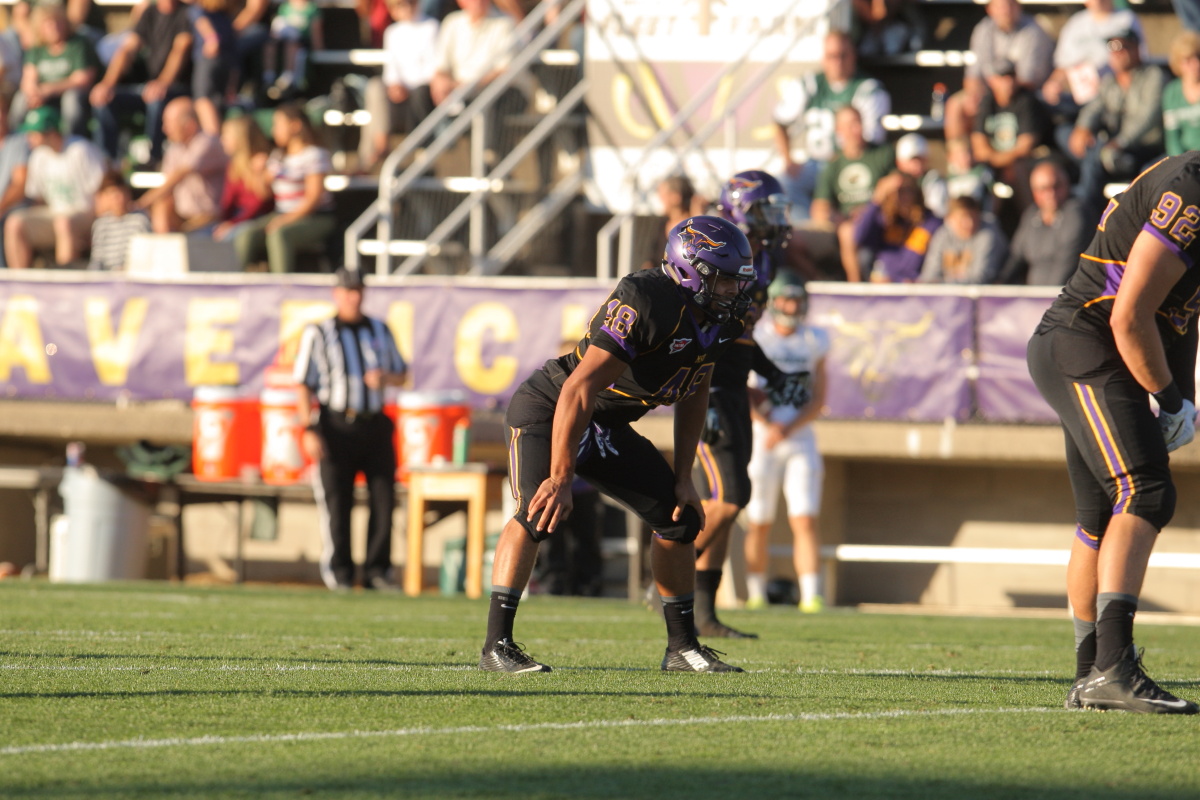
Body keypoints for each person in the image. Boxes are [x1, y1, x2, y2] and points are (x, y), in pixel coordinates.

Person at [480, 216, 801, 673]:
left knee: (679, 518)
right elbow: (578, 389)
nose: (735, 291)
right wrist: (560, 477)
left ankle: (682, 648)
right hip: (553, 408)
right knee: (538, 509)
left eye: (738, 279)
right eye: (725, 279)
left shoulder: (722, 317)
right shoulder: (645, 299)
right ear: (690, 271)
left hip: (607, 423)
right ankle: (497, 646)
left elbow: (696, 390)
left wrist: (684, 477)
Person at [1026, 152, 1200, 715]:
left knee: (1100, 516)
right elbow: (1129, 315)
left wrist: (1183, 396)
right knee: (1145, 491)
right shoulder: (1193, 190)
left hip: (1084, 343)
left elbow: (1183, 312)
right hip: (1089, 341)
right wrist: (1169, 398)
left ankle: (1088, 675)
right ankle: (1114, 669)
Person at [691, 170, 794, 639]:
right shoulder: (717, 251)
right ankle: (668, 572)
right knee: (731, 497)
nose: (777, 217)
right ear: (741, 207)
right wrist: (700, 388)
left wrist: (769, 374)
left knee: (724, 503)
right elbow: (699, 327)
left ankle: (704, 614)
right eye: (767, 208)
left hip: (733, 384)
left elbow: (743, 334)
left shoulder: (763, 257)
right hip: (706, 385)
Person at [293, 267, 408, 591]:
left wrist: (385, 378)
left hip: (374, 423)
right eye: (347, 291)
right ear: (336, 294)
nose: (353, 297)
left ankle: (377, 571)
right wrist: (307, 428)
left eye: (357, 290)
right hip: (335, 424)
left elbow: (402, 374)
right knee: (338, 503)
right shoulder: (320, 332)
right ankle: (340, 573)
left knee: (383, 498)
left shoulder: (379, 329)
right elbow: (303, 384)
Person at [745, 273, 830, 614]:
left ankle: (811, 595)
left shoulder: (815, 339)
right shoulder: (758, 337)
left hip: (799, 435)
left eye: (797, 300)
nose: (792, 307)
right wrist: (767, 423)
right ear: (774, 302)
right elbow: (741, 387)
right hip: (761, 436)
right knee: (758, 520)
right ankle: (755, 594)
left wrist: (787, 427)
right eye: (787, 300)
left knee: (804, 518)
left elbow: (819, 399)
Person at [772, 30, 890, 221]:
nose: (838, 62)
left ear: (854, 56)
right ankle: (808, 230)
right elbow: (780, 121)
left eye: (843, 55)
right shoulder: (810, 84)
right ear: (823, 58)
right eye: (832, 56)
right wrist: (788, 160)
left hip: (851, 161)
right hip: (817, 164)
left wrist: (842, 160)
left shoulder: (869, 89)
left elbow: (870, 140)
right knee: (782, 184)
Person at [1067, 27, 1165, 221]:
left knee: (1095, 157)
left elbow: (1147, 119)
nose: (1117, 52)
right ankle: (1085, 213)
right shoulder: (1110, 81)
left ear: (1137, 49)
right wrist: (1082, 128)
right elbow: (1094, 108)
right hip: (1114, 148)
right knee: (1066, 134)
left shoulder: (1154, 75)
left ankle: (1083, 216)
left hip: (1145, 148)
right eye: (1112, 48)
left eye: (1123, 47)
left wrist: (1120, 142)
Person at [231, 103, 336, 273]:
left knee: (278, 234)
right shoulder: (278, 156)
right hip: (281, 213)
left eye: (278, 125)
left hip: (315, 217)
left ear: (295, 126)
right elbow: (263, 193)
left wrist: (285, 220)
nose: (274, 131)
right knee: (245, 234)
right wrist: (258, 172)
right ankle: (236, 281)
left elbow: (313, 198)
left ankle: (281, 284)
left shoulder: (315, 154)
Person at [89, 0, 193, 167]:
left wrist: (163, 82)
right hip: (150, 87)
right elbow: (127, 49)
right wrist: (107, 84)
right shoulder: (150, 13)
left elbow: (181, 49)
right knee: (105, 99)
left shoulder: (187, 13)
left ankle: (153, 158)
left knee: (156, 99)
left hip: (178, 89)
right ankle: (108, 162)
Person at [5, 105, 106, 269]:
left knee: (63, 223)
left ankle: (62, 278)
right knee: (14, 222)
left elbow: (102, 192)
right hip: (56, 214)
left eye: (34, 133)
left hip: (86, 213)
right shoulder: (38, 156)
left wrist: (99, 227)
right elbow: (38, 199)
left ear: (50, 132)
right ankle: (19, 280)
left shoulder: (80, 150)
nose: (28, 138)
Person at [943, 0, 1054, 146]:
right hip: (990, 91)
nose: (1005, 10)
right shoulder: (983, 29)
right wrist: (975, 94)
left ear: (1018, 6)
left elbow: (1028, 79)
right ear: (989, 9)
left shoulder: (1033, 30)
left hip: (1023, 93)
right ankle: (961, 156)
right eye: (1000, 6)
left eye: (1009, 5)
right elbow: (973, 75)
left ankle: (1011, 154)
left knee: (1015, 105)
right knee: (956, 105)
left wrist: (1001, 90)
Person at [808, 106, 895, 281]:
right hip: (843, 223)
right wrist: (838, 217)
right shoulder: (833, 164)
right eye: (850, 125)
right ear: (838, 130)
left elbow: (895, 183)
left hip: (877, 219)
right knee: (794, 240)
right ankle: (821, 282)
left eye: (858, 122)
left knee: (848, 232)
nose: (857, 129)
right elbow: (819, 208)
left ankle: (854, 286)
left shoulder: (882, 153)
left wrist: (870, 209)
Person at [359, 0, 438, 173]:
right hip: (400, 95)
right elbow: (391, 68)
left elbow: (433, 67)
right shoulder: (392, 32)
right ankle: (379, 145)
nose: (405, 8)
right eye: (399, 5)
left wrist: (406, 87)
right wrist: (395, 85)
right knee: (374, 87)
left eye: (408, 3)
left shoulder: (431, 27)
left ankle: (376, 156)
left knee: (420, 93)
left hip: (421, 93)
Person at [971, 58, 1049, 225]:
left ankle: (1034, 222)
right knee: (977, 173)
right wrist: (999, 161)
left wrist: (1000, 160)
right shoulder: (987, 101)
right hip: (995, 163)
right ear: (991, 80)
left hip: (1023, 162)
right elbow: (978, 147)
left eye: (1011, 76)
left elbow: (1025, 147)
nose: (1008, 81)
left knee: (1018, 170)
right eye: (1002, 77)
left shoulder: (1026, 101)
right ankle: (984, 226)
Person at [1041, 0, 1144, 122]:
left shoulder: (1126, 20)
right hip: (1077, 96)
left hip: (1112, 94)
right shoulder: (1075, 23)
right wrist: (1053, 84)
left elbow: (1139, 61)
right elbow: (1062, 66)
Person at [135, 96, 227, 233]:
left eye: (169, 123)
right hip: (183, 219)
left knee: (160, 201)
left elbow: (178, 176)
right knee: (162, 204)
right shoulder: (174, 148)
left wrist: (140, 204)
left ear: (189, 125)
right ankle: (163, 242)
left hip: (211, 219)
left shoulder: (207, 142)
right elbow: (167, 186)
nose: (165, 129)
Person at [12, 2, 98, 139]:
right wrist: (34, 93)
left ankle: (72, 139)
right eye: (48, 24)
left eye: (58, 23)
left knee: (71, 99)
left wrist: (49, 90)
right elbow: (28, 78)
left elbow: (83, 79)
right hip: (42, 96)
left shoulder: (78, 44)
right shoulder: (37, 48)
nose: (54, 28)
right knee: (20, 99)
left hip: (68, 95)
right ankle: (17, 139)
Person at [997, 160, 1090, 286]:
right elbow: (1015, 256)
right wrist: (998, 284)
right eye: (1044, 188)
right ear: (1034, 192)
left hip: (1065, 293)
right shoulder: (1031, 215)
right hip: (1036, 294)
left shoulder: (1076, 214)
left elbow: (1066, 265)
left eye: (1057, 186)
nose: (1051, 193)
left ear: (1067, 185)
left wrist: (1046, 297)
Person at [851, 171, 941, 283]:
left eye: (907, 191)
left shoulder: (931, 222)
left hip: (916, 285)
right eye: (896, 192)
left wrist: (918, 280)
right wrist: (876, 200)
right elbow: (859, 237)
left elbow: (936, 262)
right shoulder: (884, 220)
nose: (901, 197)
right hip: (885, 283)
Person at [918, 195, 1007, 284]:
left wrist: (942, 284)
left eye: (974, 217)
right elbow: (930, 275)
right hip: (946, 291)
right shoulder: (942, 235)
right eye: (963, 217)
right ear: (949, 219)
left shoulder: (988, 235)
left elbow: (982, 278)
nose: (970, 223)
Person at [213, 115, 274, 244]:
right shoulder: (233, 166)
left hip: (259, 218)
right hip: (240, 217)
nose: (222, 140)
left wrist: (233, 223)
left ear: (240, 138)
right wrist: (225, 223)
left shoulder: (261, 162)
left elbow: (259, 203)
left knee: (228, 237)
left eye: (226, 136)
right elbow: (228, 202)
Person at [188, 0, 236, 135]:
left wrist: (211, 39)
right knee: (217, 104)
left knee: (203, 100)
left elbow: (203, 23)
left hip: (209, 63)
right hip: (226, 63)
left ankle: (213, 138)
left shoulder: (197, 9)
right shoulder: (225, 15)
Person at [88, 170, 151, 270]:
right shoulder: (100, 224)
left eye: (121, 193)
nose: (118, 199)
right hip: (106, 276)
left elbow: (144, 255)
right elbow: (97, 259)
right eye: (113, 194)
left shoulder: (140, 220)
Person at [263, 0, 324, 99]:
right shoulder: (285, 7)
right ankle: (269, 75)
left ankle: (288, 76)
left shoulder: (312, 9)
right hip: (283, 40)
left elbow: (316, 31)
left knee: (291, 44)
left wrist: (318, 49)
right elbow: (278, 26)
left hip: (302, 42)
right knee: (270, 44)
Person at [0, 96, 32, 269]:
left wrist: (1, 206)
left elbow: (20, 184)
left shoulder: (19, 142)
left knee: (9, 222)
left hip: (13, 207)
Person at [1163, 30, 1200, 157]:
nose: (1196, 64)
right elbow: (1172, 137)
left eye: (1198, 57)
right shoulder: (1171, 93)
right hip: (1185, 158)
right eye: (1188, 59)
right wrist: (1180, 161)